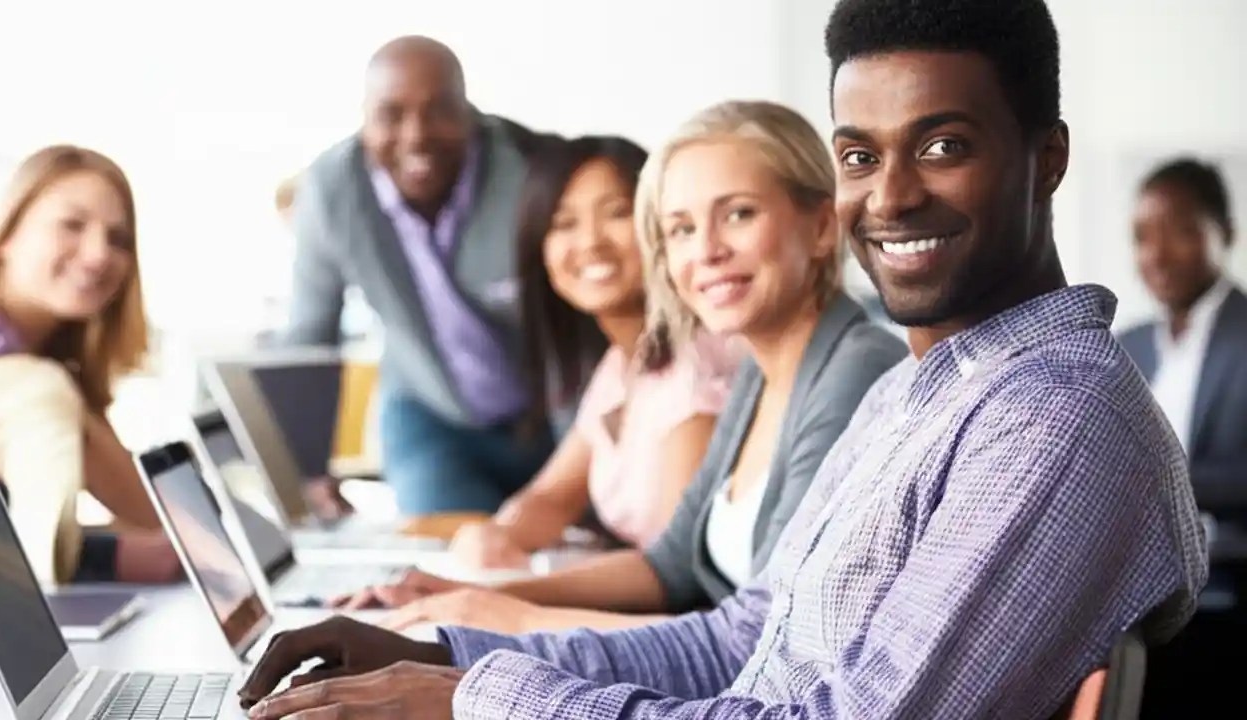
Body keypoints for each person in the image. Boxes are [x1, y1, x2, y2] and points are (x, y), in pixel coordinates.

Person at [236, 1, 1208, 718]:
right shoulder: (921, 392)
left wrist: (466, 700)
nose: (890, 196)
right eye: (860, 157)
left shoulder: (1053, 423)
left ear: (1044, 160)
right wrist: (444, 654)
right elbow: (745, 639)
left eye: (942, 145)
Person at [327, 101, 906, 635]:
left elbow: (762, 637)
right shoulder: (763, 368)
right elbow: (672, 565)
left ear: (823, 227)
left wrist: (510, 615)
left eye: (738, 215)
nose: (705, 250)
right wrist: (471, 594)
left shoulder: (854, 371)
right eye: (681, 228)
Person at [284, 35, 552, 518]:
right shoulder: (330, 191)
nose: (416, 135)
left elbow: (588, 324)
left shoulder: (530, 168)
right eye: (391, 114)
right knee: (449, 560)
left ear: (470, 111)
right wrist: (307, 470)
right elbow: (310, 336)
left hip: (551, 412)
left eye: (439, 110)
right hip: (431, 414)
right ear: (365, 119)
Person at [445, 135, 739, 572]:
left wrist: (514, 595)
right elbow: (552, 497)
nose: (590, 243)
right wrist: (490, 538)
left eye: (617, 214)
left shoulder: (695, 361)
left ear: (664, 226)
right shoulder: (623, 366)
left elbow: (676, 578)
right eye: (563, 223)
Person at [0, 145, 180, 586]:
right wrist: (107, 555)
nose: (99, 254)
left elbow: (151, 517)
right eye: (72, 225)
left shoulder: (46, 365)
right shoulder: (9, 370)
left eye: (119, 239)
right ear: (7, 234)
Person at [1116, 158, 1246, 717]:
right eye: (1143, 237)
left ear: (1227, 233)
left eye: (1181, 232)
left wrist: (1155, 476)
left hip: (1226, 596)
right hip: (1132, 602)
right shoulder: (1127, 344)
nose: (1157, 254)